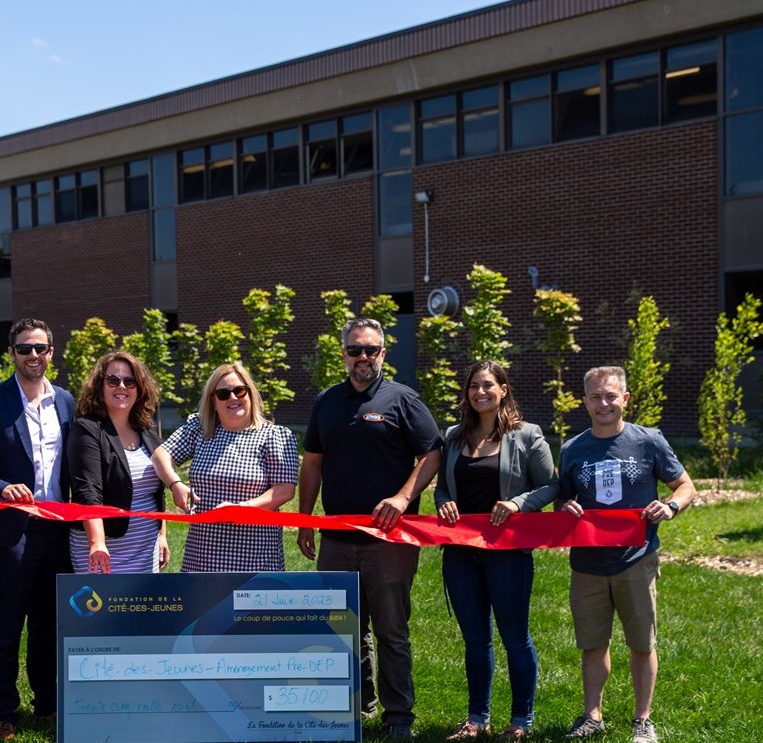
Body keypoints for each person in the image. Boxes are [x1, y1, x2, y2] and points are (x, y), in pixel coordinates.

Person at [297, 317, 442, 740]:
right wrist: (305, 519)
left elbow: (432, 453)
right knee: (343, 628)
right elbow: (312, 463)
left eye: (371, 350)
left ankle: (399, 716)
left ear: (383, 353)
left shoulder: (403, 399)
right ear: (344, 354)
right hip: (336, 538)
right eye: (355, 349)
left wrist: (402, 498)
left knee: (391, 628)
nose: (363, 357)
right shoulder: (326, 401)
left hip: (389, 539)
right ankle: (357, 707)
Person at [557, 366, 696, 743]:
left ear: (625, 399)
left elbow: (685, 485)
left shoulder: (649, 441)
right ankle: (592, 715)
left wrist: (670, 507)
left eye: (611, 396)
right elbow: (562, 500)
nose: (604, 403)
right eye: (596, 397)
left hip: (637, 559)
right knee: (592, 644)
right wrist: (565, 506)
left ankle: (642, 720)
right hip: (587, 562)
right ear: (584, 402)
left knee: (641, 643)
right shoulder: (571, 449)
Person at [0, 318, 75, 741]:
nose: (33, 356)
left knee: (48, 622)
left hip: (56, 529)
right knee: (7, 624)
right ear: (11, 353)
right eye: (24, 349)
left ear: (51, 353)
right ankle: (3, 713)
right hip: (8, 531)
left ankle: (47, 705)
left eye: (40, 348)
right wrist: (1, 487)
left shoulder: (65, 401)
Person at [436, 361, 558, 741]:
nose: (480, 392)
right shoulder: (454, 436)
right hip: (461, 553)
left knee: (514, 638)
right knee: (475, 641)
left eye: (488, 385)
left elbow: (551, 486)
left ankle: (521, 721)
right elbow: (442, 487)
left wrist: (518, 504)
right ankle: (477, 719)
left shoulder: (527, 435)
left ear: (503, 389)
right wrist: (442, 502)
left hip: (507, 552)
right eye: (474, 386)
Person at [152, 362, 299, 572]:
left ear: (250, 394)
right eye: (223, 394)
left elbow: (285, 489)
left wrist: (242, 509)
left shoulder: (274, 436)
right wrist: (175, 484)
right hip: (201, 555)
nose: (232, 398)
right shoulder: (200, 429)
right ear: (213, 401)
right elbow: (160, 455)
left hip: (255, 556)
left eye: (239, 391)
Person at [67, 351, 170, 573]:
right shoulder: (87, 429)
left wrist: (162, 534)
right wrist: (97, 542)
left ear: (139, 388)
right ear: (99, 387)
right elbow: (87, 491)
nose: (121, 386)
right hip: (102, 552)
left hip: (145, 550)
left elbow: (156, 491)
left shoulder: (147, 430)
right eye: (113, 380)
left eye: (130, 381)